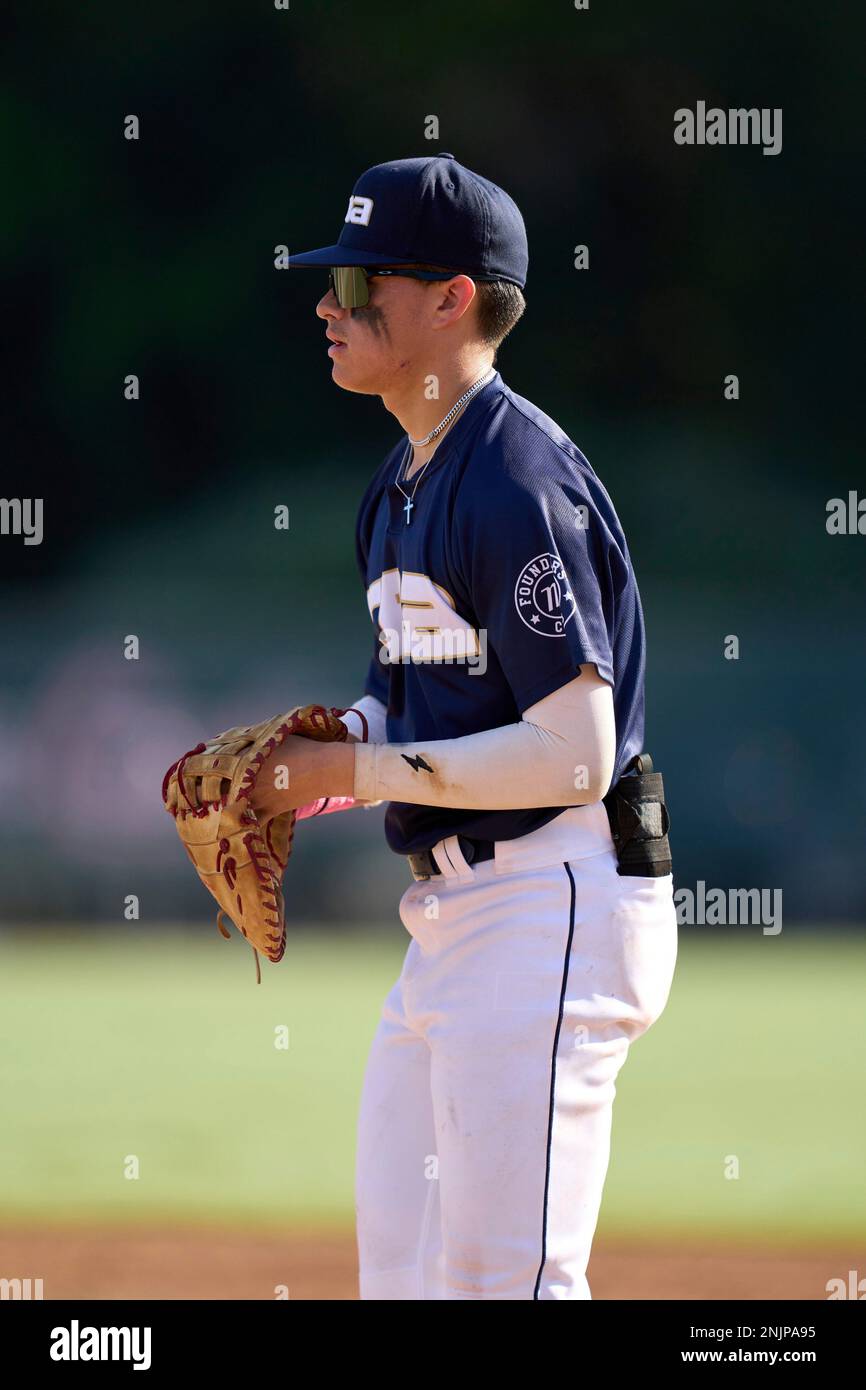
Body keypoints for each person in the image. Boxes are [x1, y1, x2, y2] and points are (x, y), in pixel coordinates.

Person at [251, 153, 677, 1300]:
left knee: (504, 1284)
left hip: (553, 898)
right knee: (407, 1277)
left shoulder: (512, 478)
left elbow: (578, 752)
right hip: (451, 919)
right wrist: (322, 757)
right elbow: (421, 703)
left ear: (450, 298)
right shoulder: (396, 482)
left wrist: (363, 762)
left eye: (359, 286)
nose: (330, 308)